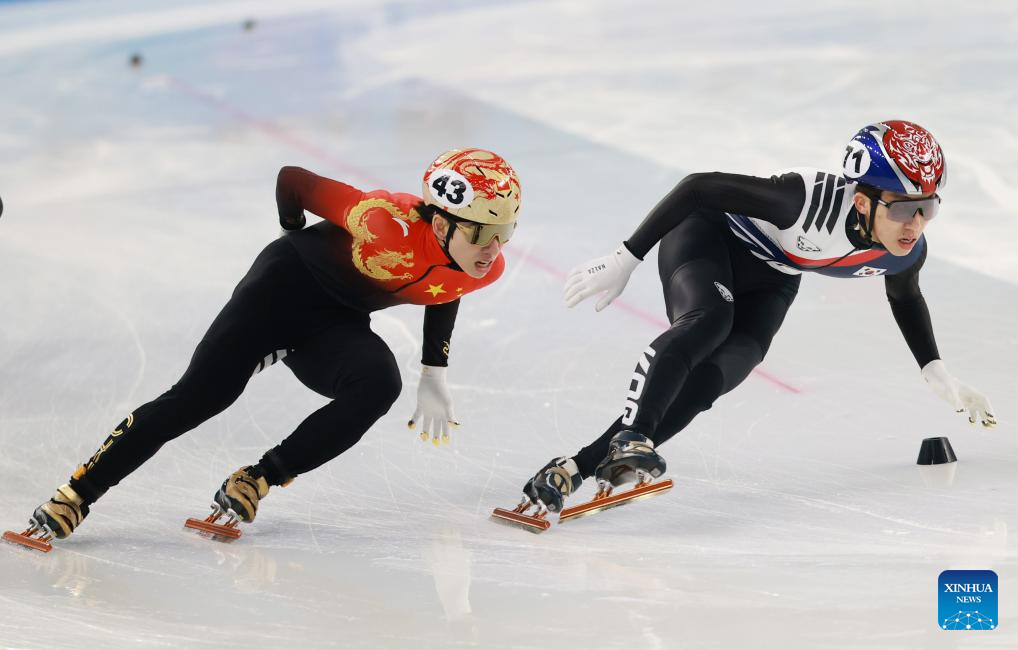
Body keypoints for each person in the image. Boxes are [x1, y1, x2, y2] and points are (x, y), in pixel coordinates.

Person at [12, 148, 521, 548]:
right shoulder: (380, 219)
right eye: (482, 232)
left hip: (336, 321)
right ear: (439, 222)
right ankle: (78, 492)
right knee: (198, 399)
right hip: (279, 292)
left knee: (378, 385)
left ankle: (258, 479)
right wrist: (293, 241)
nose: (494, 249)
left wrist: (434, 372)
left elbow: (447, 288)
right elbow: (292, 179)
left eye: (504, 232)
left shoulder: (485, 265)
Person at [519, 120, 995, 514]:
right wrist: (627, 257)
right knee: (710, 322)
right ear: (862, 199)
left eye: (928, 207)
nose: (916, 225)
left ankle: (574, 467)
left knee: (720, 374)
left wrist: (936, 371)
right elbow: (698, 188)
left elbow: (906, 298)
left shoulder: (905, 251)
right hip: (708, 238)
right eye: (906, 209)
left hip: (775, 276)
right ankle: (635, 436)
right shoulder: (804, 200)